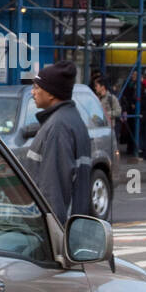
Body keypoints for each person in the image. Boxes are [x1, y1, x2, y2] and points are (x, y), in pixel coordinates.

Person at [22, 61, 92, 222]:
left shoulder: (58, 127)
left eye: (37, 88)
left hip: (53, 230)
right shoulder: (70, 120)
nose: (33, 92)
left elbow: (53, 190)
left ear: (51, 93)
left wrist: (54, 234)